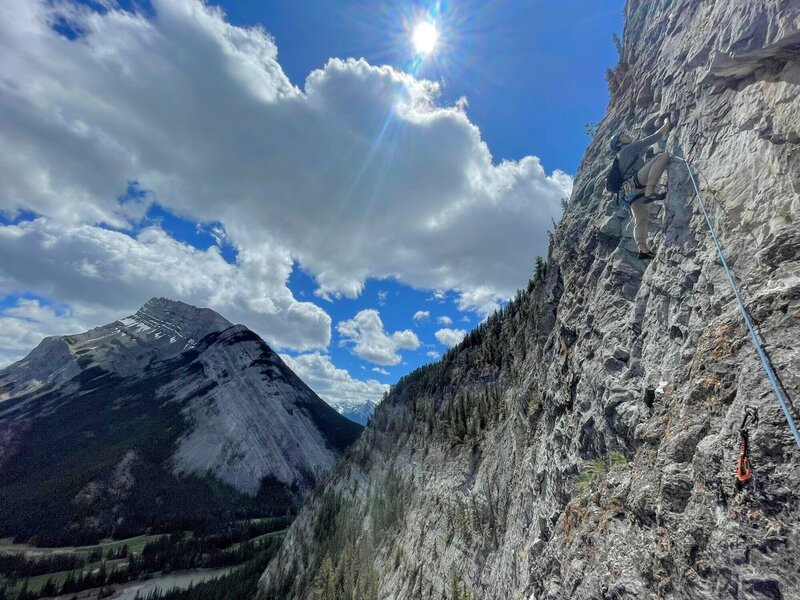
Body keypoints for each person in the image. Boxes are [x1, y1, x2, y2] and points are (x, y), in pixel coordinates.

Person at [609, 118, 672, 259]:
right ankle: (650, 191)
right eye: (623, 136)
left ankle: (642, 249)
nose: (627, 135)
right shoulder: (627, 150)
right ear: (619, 144)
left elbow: (644, 154)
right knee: (664, 156)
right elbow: (650, 139)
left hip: (630, 192)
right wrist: (666, 124)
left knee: (641, 219)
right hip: (636, 183)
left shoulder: (623, 156)